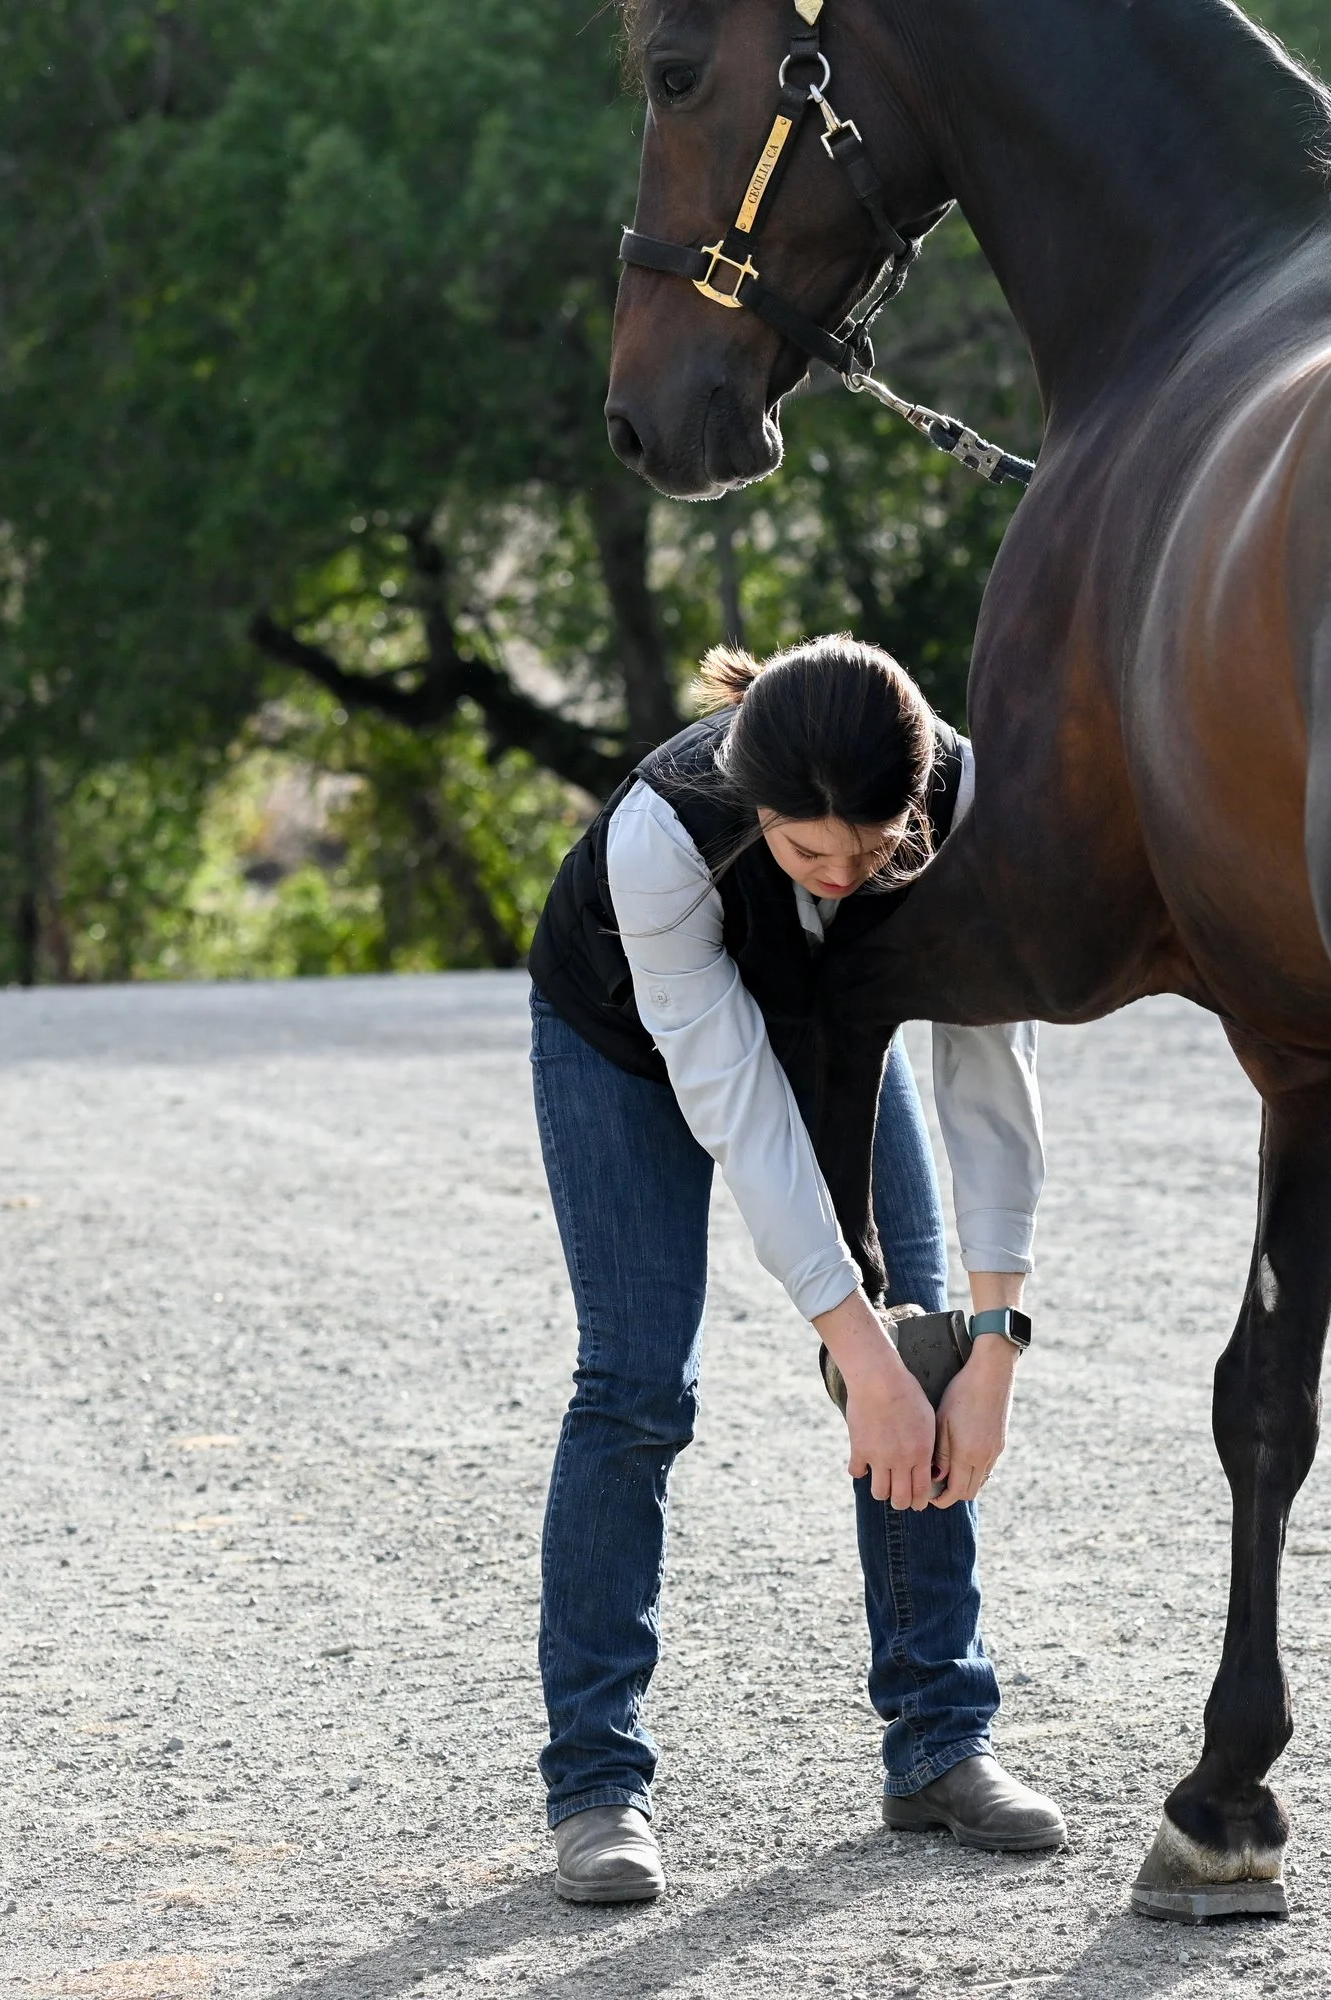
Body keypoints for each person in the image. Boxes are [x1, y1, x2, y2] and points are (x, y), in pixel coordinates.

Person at [524, 634, 1057, 1904]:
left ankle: (940, 1740)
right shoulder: (664, 834)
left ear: (915, 801)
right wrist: (857, 1354)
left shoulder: (971, 813)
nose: (838, 873)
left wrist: (991, 1345)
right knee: (636, 1385)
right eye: (805, 849)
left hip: (842, 1027)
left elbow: (992, 1072)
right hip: (625, 1043)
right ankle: (596, 1781)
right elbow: (745, 1115)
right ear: (753, 805)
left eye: (872, 852)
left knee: (928, 1345)